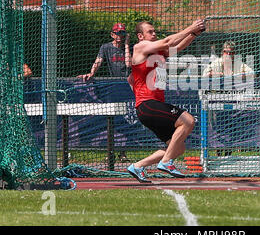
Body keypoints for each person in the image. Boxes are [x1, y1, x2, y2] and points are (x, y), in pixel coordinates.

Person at [126, 19, 205, 183]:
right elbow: (168, 41)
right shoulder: (139, 47)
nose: (154, 34)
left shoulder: (157, 52)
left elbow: (177, 47)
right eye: (150, 32)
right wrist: (190, 27)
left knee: (178, 147)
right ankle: (166, 162)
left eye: (154, 31)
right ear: (140, 36)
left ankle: (138, 166)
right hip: (148, 105)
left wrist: (194, 33)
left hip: (148, 107)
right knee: (188, 121)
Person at [77, 23, 132, 161]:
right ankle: (110, 152)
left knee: (125, 121)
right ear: (112, 34)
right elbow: (98, 61)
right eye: (118, 33)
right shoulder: (106, 47)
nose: (120, 36)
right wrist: (91, 73)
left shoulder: (129, 48)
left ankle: (123, 153)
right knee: (111, 121)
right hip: (111, 88)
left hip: (126, 88)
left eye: (122, 33)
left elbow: (128, 64)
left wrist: (126, 45)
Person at [202, 41, 254, 156]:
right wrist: (218, 74)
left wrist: (237, 76)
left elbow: (252, 73)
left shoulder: (239, 64)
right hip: (217, 100)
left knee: (231, 126)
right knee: (217, 126)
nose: (228, 55)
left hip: (233, 100)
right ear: (222, 52)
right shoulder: (216, 63)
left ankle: (229, 154)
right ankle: (219, 152)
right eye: (226, 52)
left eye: (231, 52)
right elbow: (205, 74)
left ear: (234, 54)